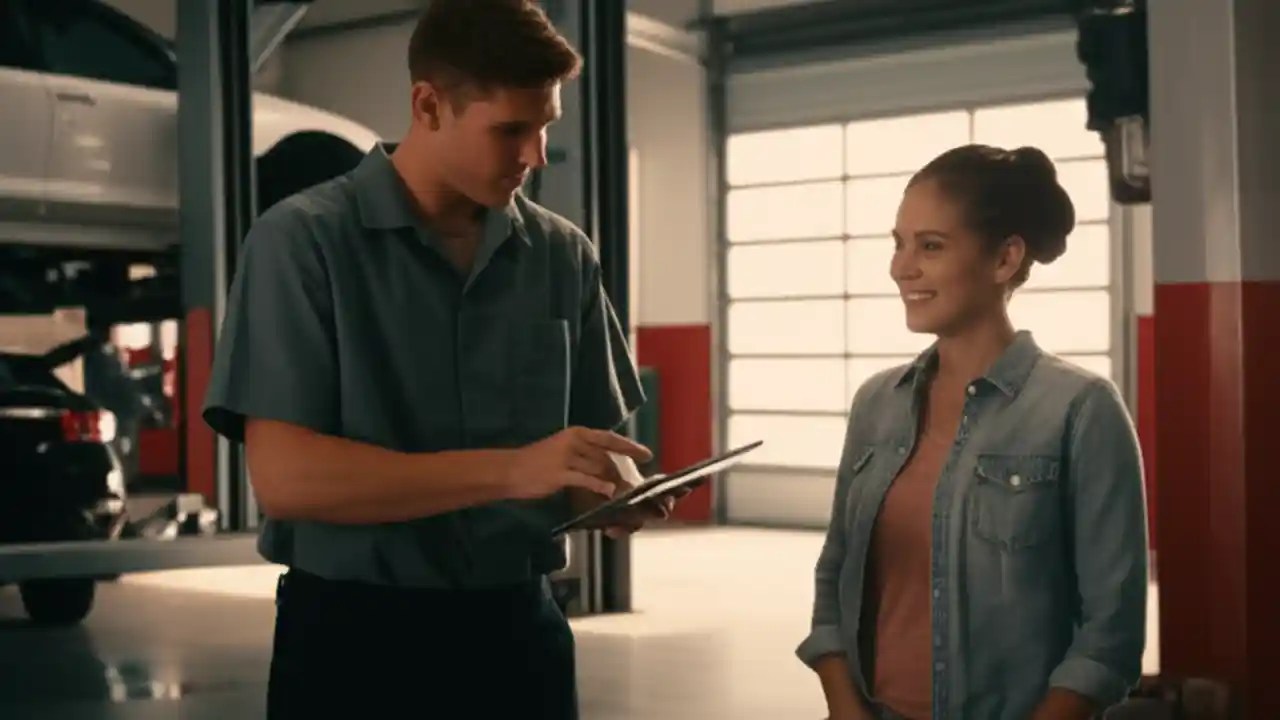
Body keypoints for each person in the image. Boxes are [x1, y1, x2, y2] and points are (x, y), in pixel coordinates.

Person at [201, 1, 674, 717]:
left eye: (545, 126)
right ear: (427, 106)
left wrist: (613, 496)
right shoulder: (301, 243)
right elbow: (288, 480)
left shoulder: (562, 255)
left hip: (521, 638)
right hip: (353, 646)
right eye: (510, 130)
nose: (535, 155)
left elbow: (572, 465)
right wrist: (512, 470)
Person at [797, 144, 1148, 720]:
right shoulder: (876, 405)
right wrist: (842, 702)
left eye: (931, 246)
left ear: (1005, 258)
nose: (901, 267)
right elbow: (834, 573)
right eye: (898, 243)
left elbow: (1111, 634)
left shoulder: (1080, 409)